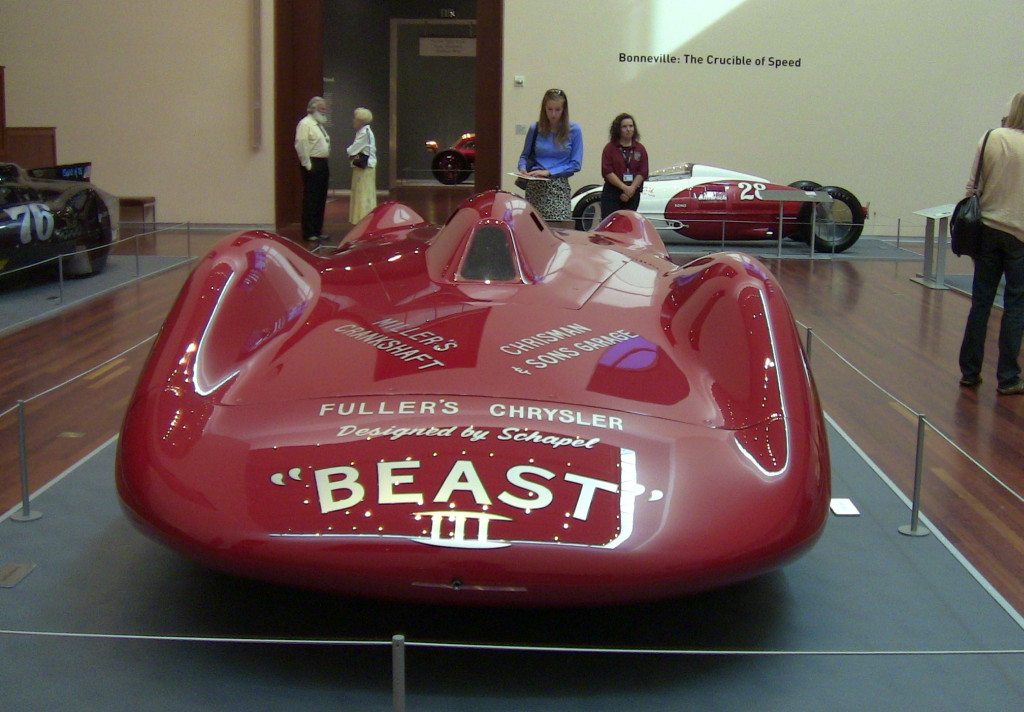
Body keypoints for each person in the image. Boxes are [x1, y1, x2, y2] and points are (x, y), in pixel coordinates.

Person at [958, 91, 1024, 394]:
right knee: (1015, 306)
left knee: (981, 302)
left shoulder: (991, 137)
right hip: (1020, 235)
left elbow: (972, 185)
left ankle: (970, 372)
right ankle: (1008, 378)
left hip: (987, 229)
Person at [516, 88, 583, 227]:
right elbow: (524, 156)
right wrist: (522, 169)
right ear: (544, 109)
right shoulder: (535, 128)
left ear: (564, 110)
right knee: (533, 230)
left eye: (558, 110)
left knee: (559, 232)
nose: (553, 114)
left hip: (558, 186)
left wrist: (549, 172)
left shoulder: (574, 130)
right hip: (535, 186)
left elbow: (576, 164)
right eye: (549, 109)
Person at [600, 113, 649, 221]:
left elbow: (643, 171)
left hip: (633, 193)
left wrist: (630, 190)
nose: (628, 129)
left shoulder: (640, 149)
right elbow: (607, 171)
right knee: (610, 225)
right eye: (624, 126)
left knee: (628, 226)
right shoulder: (610, 148)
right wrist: (624, 188)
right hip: (613, 192)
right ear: (618, 129)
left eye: (631, 126)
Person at [294, 96, 331, 242]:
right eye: (322, 109)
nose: (324, 111)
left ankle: (317, 229)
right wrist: (308, 165)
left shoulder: (318, 125)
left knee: (321, 198)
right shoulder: (305, 124)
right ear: (313, 109)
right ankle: (309, 232)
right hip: (313, 164)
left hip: (322, 164)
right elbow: (301, 145)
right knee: (311, 198)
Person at [346, 107, 378, 224]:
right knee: (361, 194)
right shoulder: (363, 132)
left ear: (361, 121)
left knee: (363, 195)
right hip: (361, 168)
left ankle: (363, 221)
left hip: (365, 169)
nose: (353, 120)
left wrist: (351, 153)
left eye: (355, 118)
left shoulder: (364, 133)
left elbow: (352, 151)